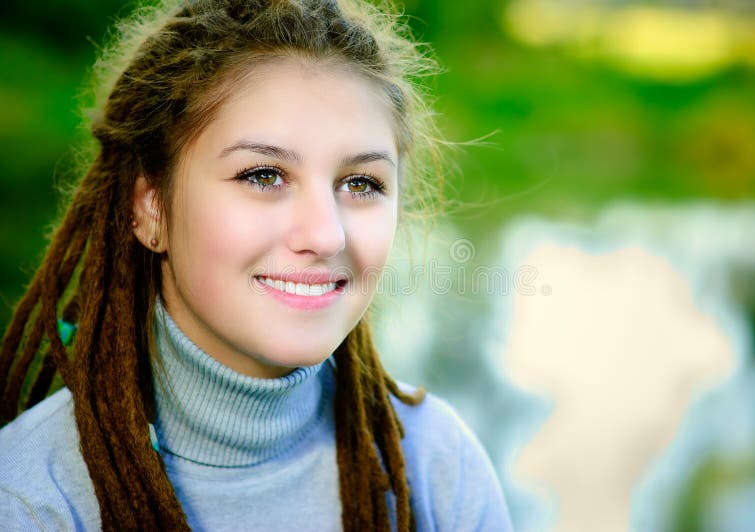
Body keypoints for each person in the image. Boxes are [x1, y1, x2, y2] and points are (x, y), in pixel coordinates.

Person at [0, 0, 512, 530]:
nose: (326, 234)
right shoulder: (28, 500)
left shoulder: (436, 468)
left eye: (362, 184)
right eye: (263, 175)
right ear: (149, 206)